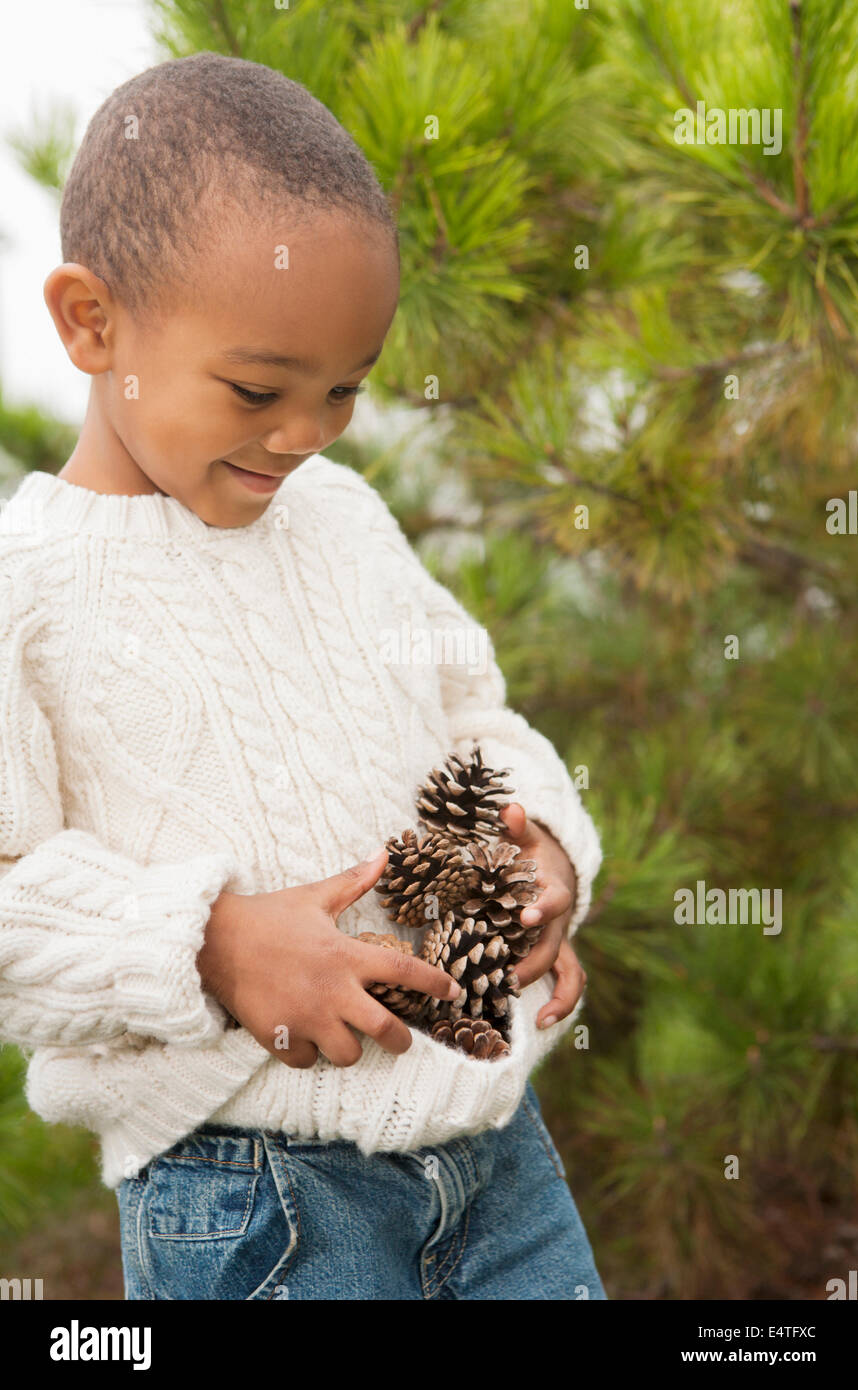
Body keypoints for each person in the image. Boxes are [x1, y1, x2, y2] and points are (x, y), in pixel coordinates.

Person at [0, 52, 605, 1300]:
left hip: (498, 1161)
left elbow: (474, 720)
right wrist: (212, 946)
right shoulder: (28, 588)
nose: (307, 433)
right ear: (91, 322)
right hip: (255, 1199)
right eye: (258, 388)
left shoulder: (340, 522)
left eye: (344, 390)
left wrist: (541, 855)